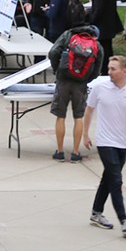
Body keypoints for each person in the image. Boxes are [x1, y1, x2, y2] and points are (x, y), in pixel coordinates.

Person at [82, 56, 126, 236]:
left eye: (113, 69)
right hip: (104, 141)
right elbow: (89, 110)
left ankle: (96, 213)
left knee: (108, 179)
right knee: (116, 180)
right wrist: (85, 134)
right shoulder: (99, 87)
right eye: (108, 68)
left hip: (121, 142)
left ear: (125, 72)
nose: (109, 72)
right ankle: (124, 221)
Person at [47, 23, 104, 162]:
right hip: (81, 83)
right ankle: (75, 152)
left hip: (63, 80)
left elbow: (53, 52)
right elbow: (97, 70)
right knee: (78, 116)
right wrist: (86, 78)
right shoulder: (97, 46)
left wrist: (57, 70)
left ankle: (60, 151)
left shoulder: (68, 35)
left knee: (61, 116)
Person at [88, 0, 124, 75]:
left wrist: (92, 21)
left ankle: (104, 70)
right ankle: (111, 67)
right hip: (110, 21)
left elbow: (99, 8)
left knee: (103, 48)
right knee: (108, 46)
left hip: (102, 24)